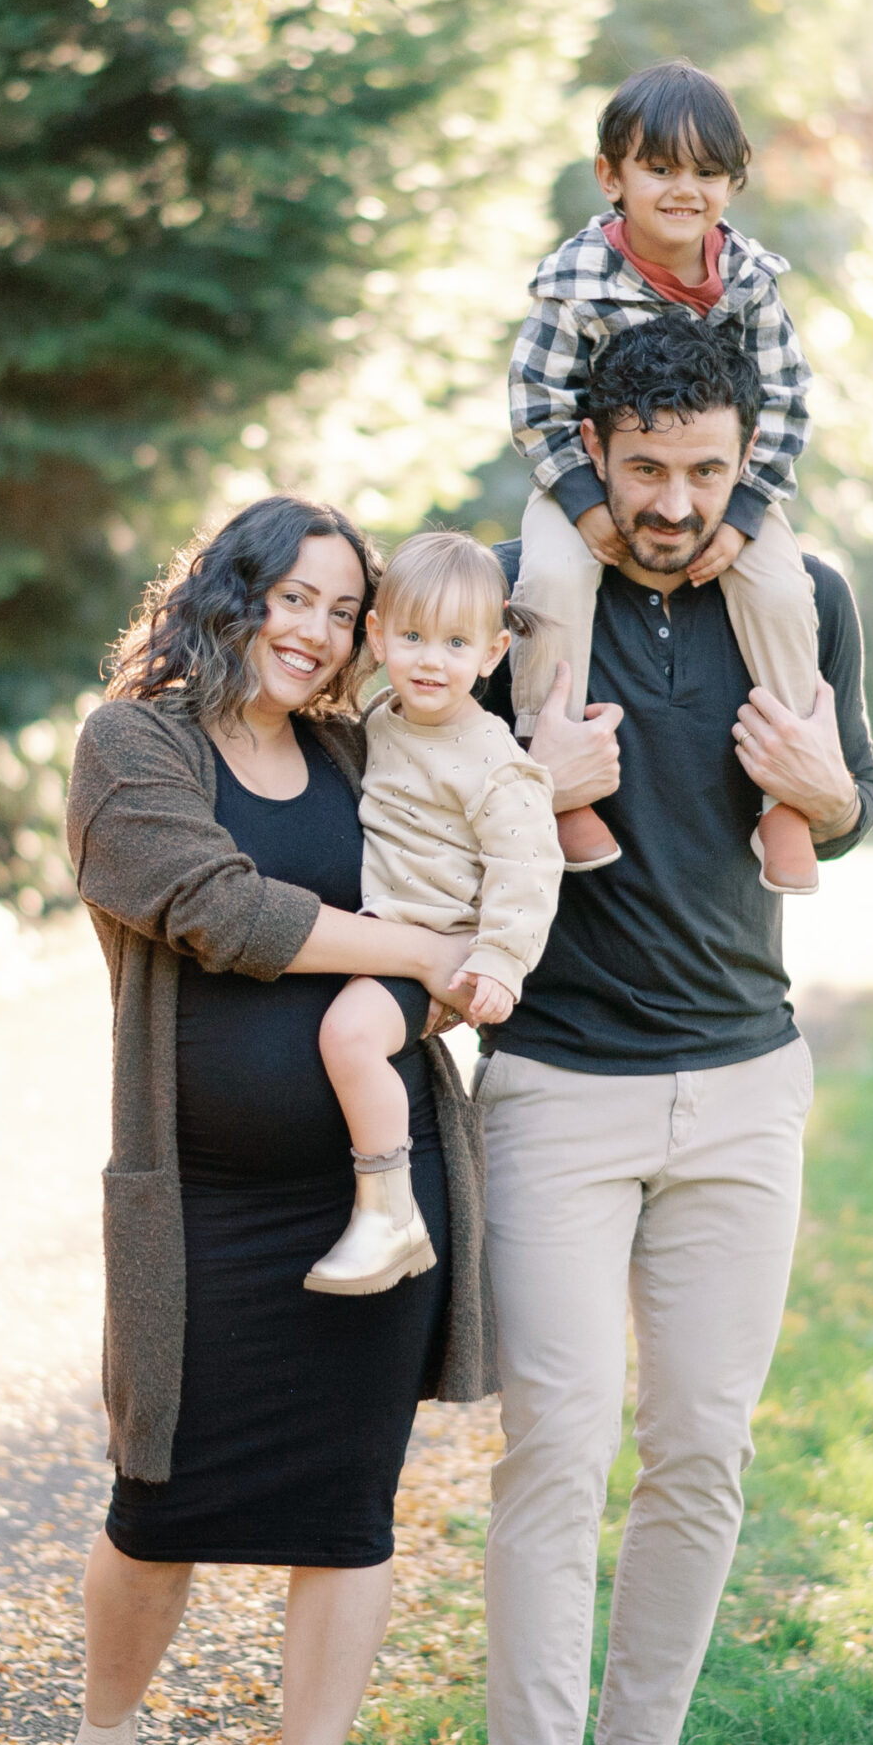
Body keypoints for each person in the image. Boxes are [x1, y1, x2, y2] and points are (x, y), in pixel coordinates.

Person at [20, 495, 495, 1745]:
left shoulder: (366, 756)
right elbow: (212, 906)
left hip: (373, 1199)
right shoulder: (133, 747)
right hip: (201, 1206)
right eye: (289, 594)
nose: (315, 627)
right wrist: (421, 948)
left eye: (342, 609)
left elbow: (473, 865)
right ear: (227, 595)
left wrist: (465, 939)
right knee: (154, 1498)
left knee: (346, 1521)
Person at [475, 313, 873, 1745]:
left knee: (702, 1449)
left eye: (704, 469)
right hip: (557, 1083)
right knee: (560, 1448)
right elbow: (418, 796)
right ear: (593, 447)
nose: (671, 500)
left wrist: (823, 788)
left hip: (741, 1080)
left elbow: (852, 809)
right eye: (644, 468)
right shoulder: (521, 604)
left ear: (743, 454)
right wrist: (529, 768)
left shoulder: (804, 599)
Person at [506, 58, 822, 894]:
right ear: (612, 176)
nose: (685, 189)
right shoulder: (574, 282)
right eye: (659, 167)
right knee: (549, 580)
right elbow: (536, 401)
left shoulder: (751, 285)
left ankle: (785, 789)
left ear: (733, 183)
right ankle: (558, 762)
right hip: (588, 477)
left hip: (725, 490)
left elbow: (787, 398)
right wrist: (582, 503)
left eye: (708, 172)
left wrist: (748, 512)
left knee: (787, 594)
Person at [308, 532, 563, 1297]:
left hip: (439, 945)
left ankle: (390, 1213)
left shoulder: (493, 759)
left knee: (349, 1037)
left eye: (455, 644)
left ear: (491, 654)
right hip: (383, 938)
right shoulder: (380, 720)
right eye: (412, 636)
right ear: (378, 636)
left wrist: (498, 962)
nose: (430, 660)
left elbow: (529, 866)